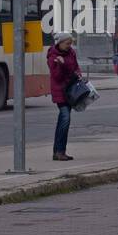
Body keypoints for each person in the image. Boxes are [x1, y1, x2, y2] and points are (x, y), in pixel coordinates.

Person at [47, 31, 81, 161]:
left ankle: (59, 151)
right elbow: (56, 76)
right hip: (60, 91)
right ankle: (59, 151)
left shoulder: (71, 52)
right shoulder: (53, 56)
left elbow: (76, 67)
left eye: (70, 43)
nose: (69, 45)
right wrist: (60, 65)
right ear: (59, 43)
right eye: (67, 43)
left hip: (71, 90)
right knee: (65, 119)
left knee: (63, 121)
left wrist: (79, 74)